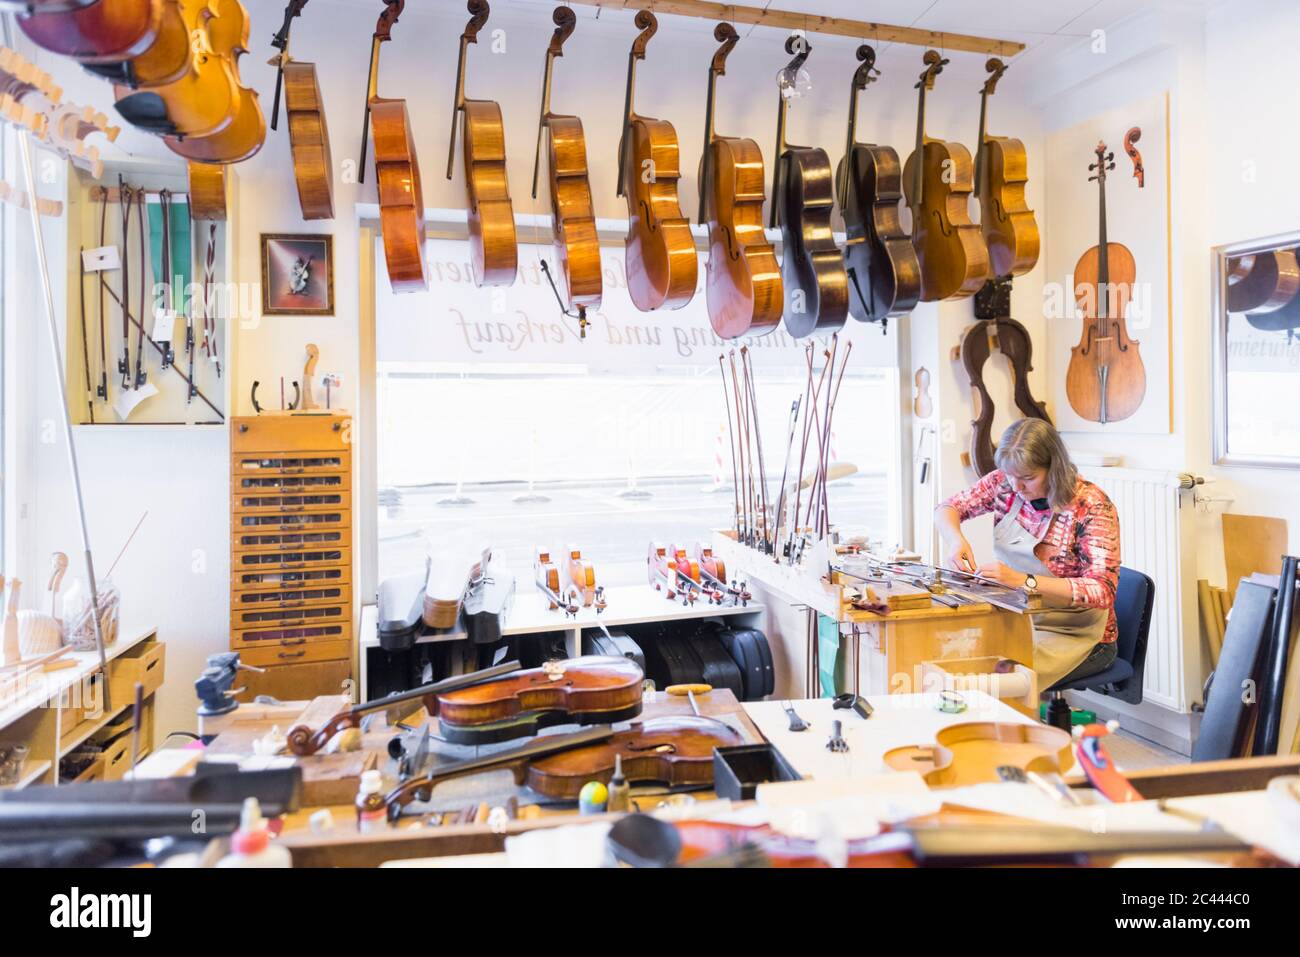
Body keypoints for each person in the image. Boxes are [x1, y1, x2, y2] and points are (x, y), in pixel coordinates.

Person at [934, 418, 1121, 689]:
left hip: (1077, 634)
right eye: (1010, 475)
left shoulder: (1091, 506)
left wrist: (1025, 580)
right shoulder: (1005, 484)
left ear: (1054, 468)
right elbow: (947, 507)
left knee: (995, 679)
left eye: (1028, 478)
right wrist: (955, 540)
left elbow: (1103, 590)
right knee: (959, 657)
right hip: (1019, 616)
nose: (1017, 486)